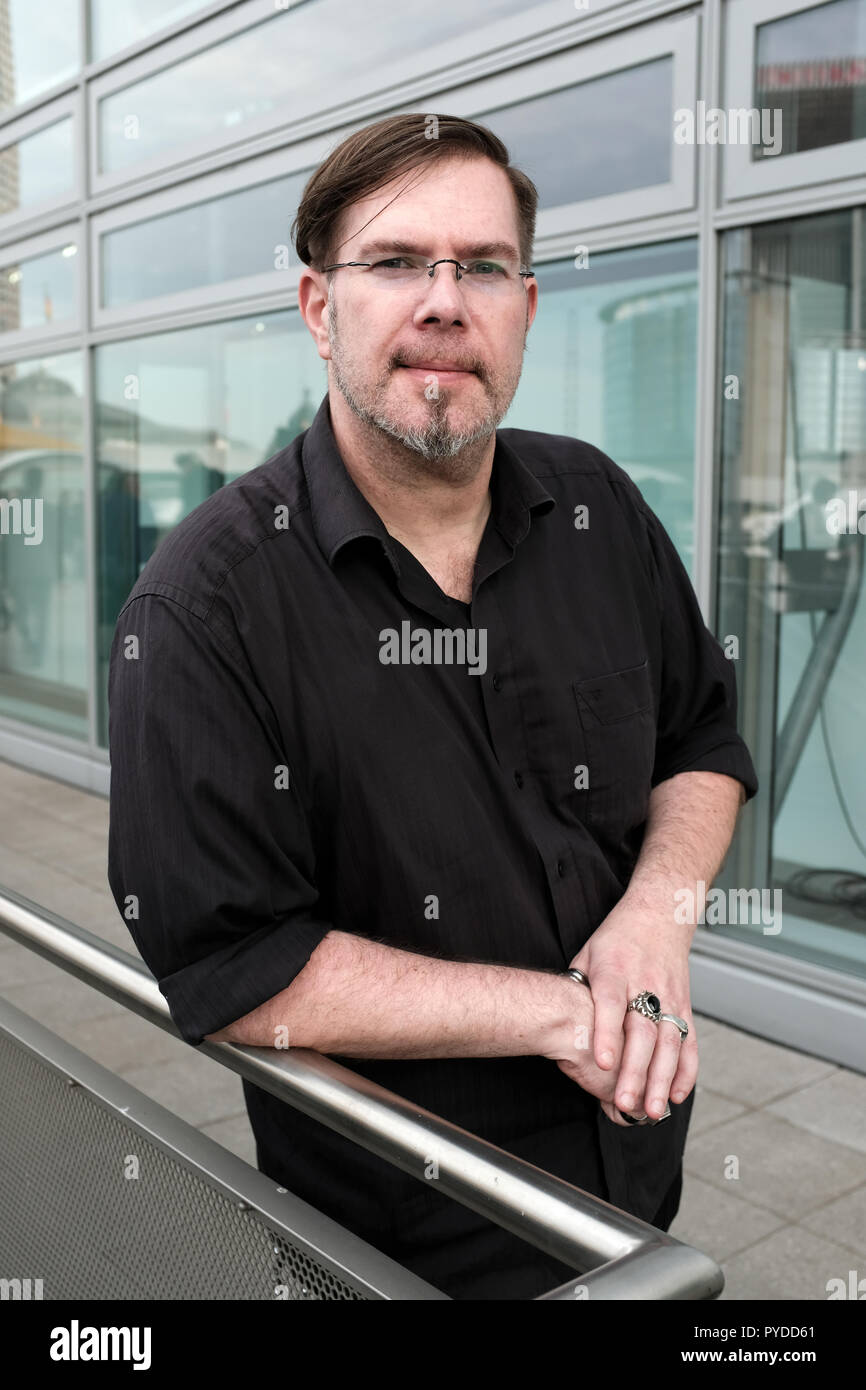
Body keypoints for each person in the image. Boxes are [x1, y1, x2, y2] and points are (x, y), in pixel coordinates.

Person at [107, 113, 758, 1300]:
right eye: (397, 262)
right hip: (388, 1250)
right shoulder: (204, 607)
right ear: (318, 308)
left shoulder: (597, 508)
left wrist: (652, 919)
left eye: (483, 267)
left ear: (525, 307)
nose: (445, 301)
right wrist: (559, 1015)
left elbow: (701, 743)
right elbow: (230, 963)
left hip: (636, 1205)